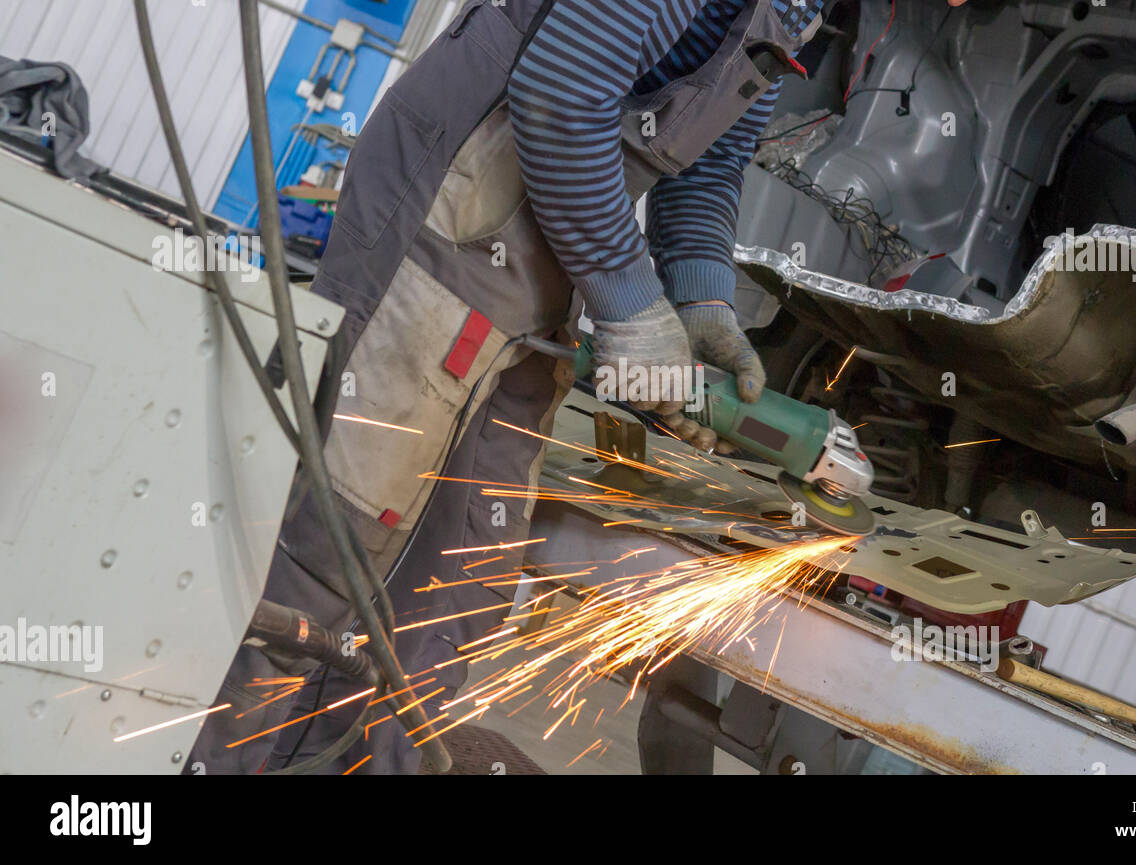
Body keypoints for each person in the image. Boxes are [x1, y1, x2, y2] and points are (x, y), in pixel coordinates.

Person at [189, 0, 967, 774]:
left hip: (546, 242)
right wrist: (628, 300)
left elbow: (711, 161)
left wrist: (699, 302)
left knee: (467, 567)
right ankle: (202, 761)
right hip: (455, 207)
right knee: (341, 538)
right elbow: (561, 93)